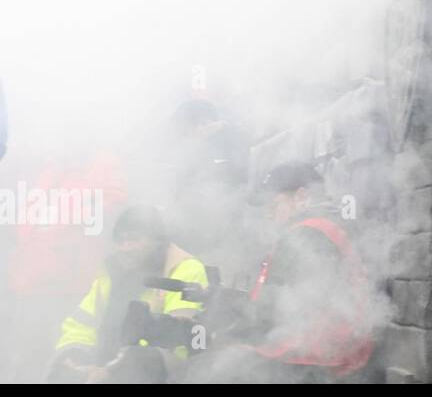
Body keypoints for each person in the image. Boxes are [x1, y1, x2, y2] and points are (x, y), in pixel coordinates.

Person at [219, 161, 374, 382]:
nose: (269, 215)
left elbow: (273, 309)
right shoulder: (324, 228)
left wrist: (231, 333)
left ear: (301, 197)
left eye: (273, 205)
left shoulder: (306, 233)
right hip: (327, 359)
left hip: (309, 363)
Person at [49, 205, 207, 383]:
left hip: (163, 374)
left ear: (156, 241)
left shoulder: (185, 269)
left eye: (133, 239)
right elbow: (80, 325)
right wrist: (76, 359)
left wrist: (117, 369)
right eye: (120, 240)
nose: (125, 247)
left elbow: (180, 344)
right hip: (105, 371)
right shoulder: (111, 275)